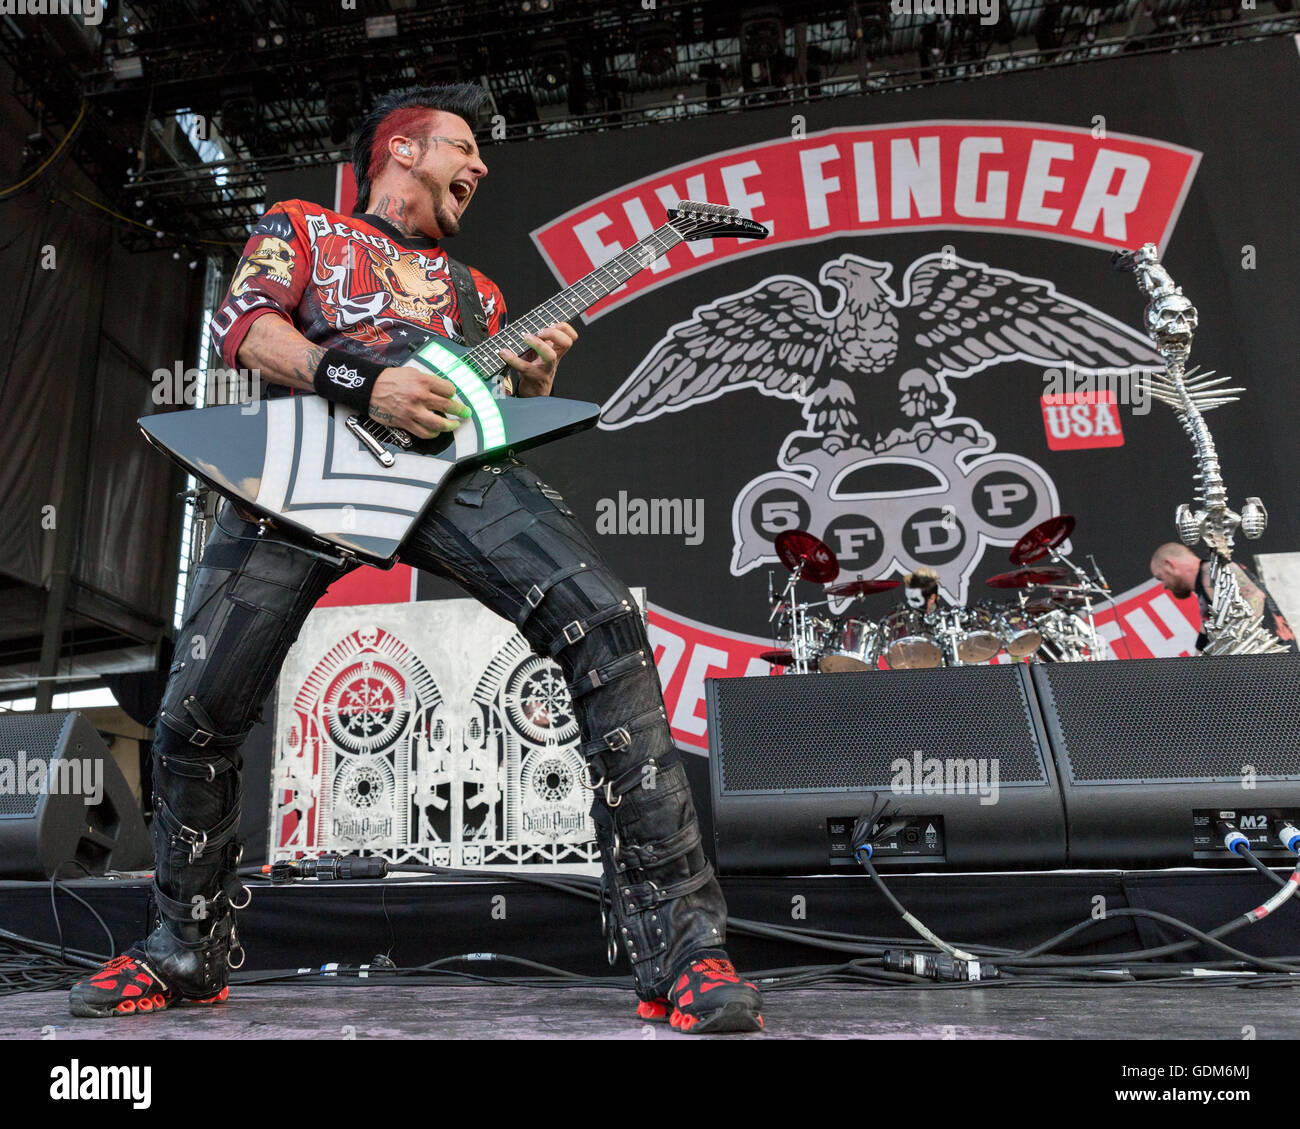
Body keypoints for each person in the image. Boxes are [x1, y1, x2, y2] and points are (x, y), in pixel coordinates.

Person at [69, 84, 762, 1034]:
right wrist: (363, 380)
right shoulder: (303, 225)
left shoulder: (481, 297)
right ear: (401, 148)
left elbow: (483, 436)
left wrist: (530, 391)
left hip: (445, 480)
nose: (480, 166)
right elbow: (246, 325)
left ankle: (685, 950)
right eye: (463, 148)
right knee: (194, 714)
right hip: (298, 476)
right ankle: (182, 950)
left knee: (603, 623)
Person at [1149, 541, 1297, 653]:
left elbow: (1255, 596)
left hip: (1273, 656)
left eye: (1160, 577)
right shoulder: (1204, 588)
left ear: (1169, 565)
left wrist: (1241, 640)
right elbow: (1205, 638)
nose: (1164, 586)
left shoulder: (1213, 570)